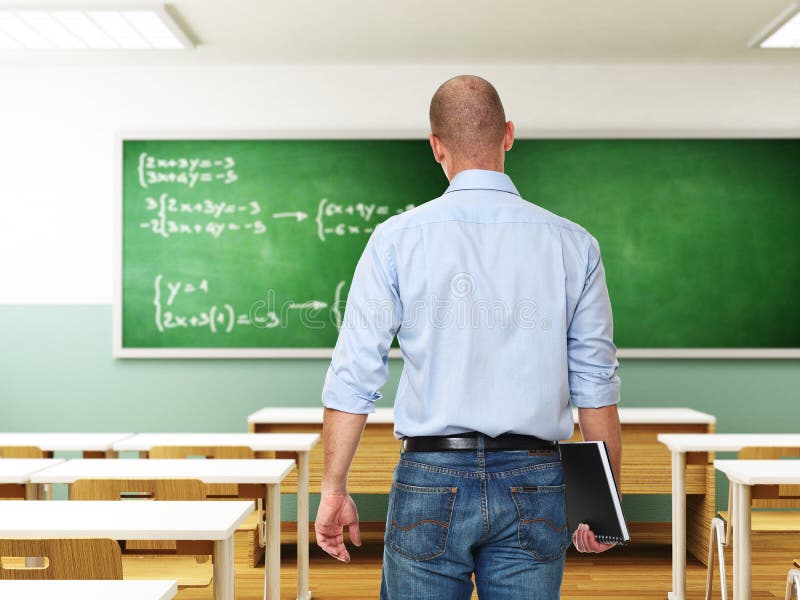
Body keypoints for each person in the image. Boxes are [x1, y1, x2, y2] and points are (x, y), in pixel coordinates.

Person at [314, 74, 622, 599]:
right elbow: (594, 385)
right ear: (507, 134)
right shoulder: (574, 244)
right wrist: (602, 507)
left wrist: (332, 488)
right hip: (535, 478)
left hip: (430, 476)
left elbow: (353, 376)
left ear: (436, 146)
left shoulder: (395, 240)